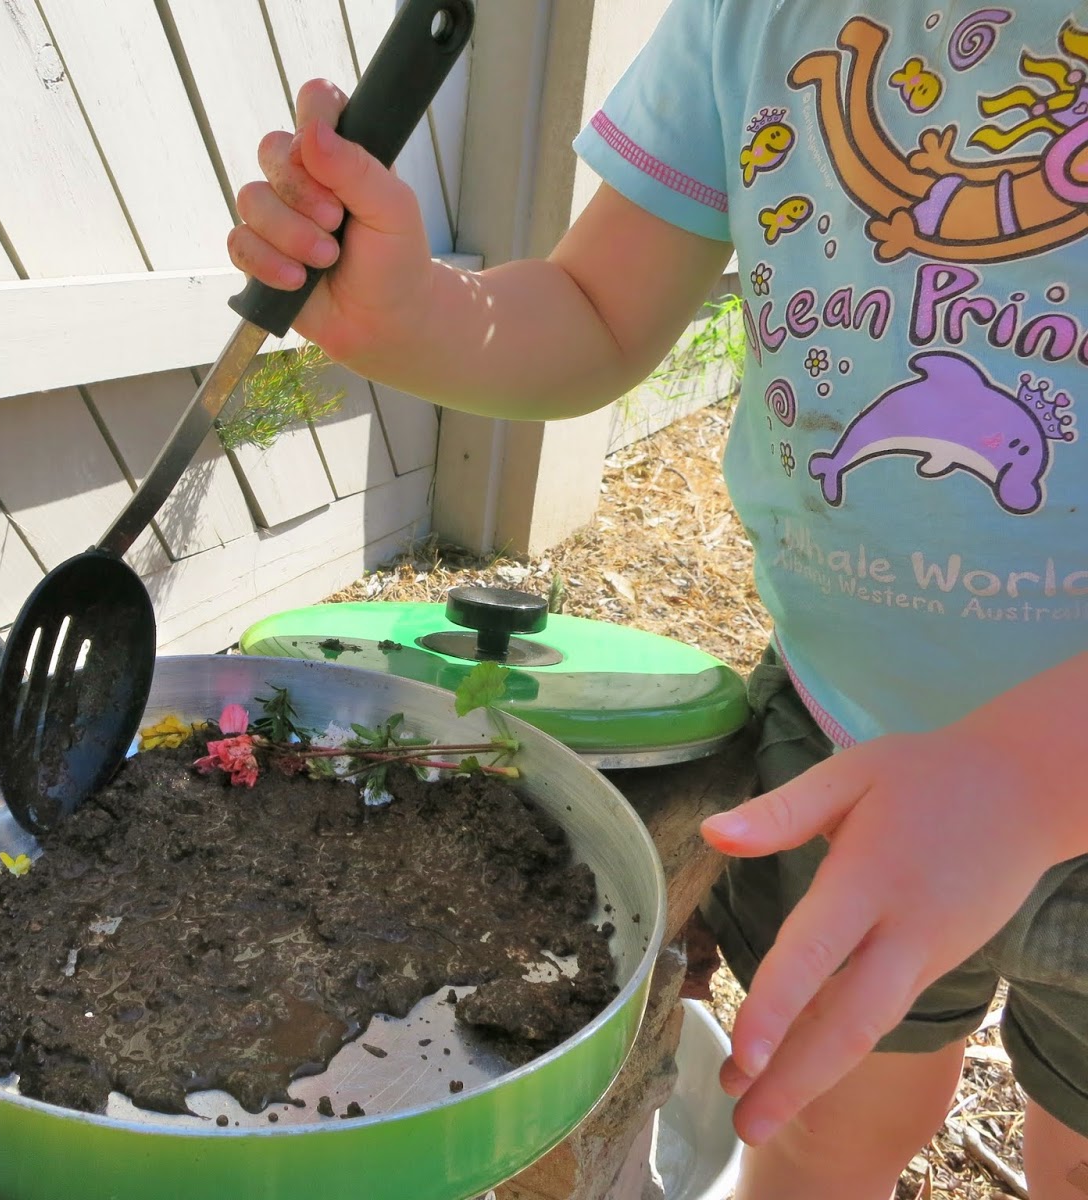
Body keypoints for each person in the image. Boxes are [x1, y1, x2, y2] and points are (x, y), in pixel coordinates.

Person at [227, 4, 1088, 1196]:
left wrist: (1038, 770)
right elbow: (594, 310)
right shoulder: (755, 20)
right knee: (816, 1126)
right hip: (840, 741)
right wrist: (414, 315)